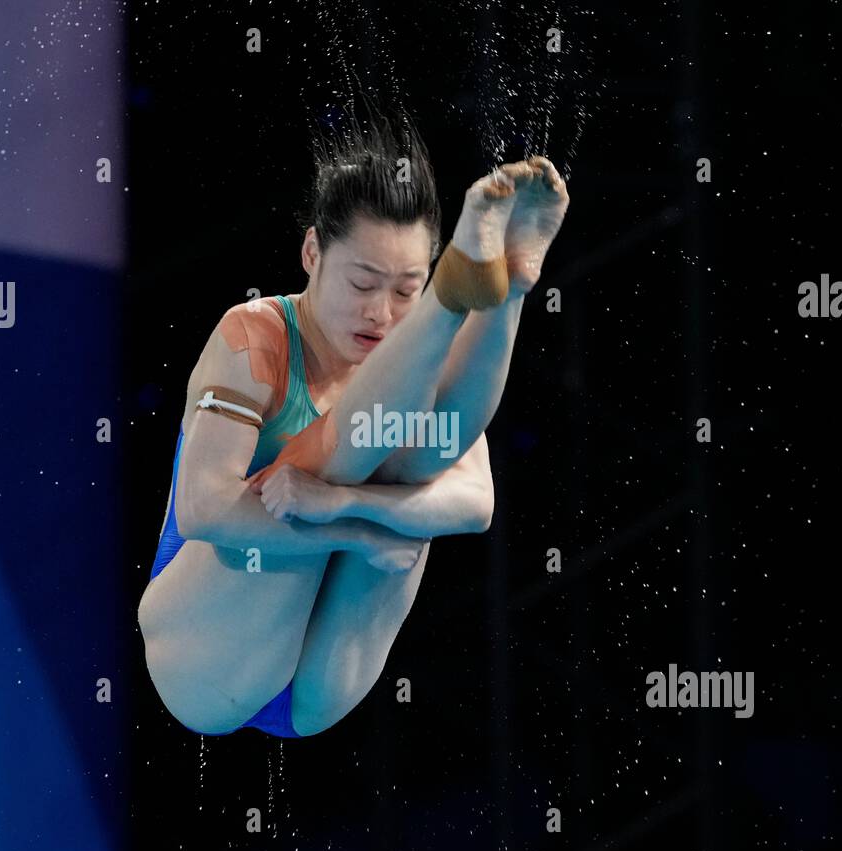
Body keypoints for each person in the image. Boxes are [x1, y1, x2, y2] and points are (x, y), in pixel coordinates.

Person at [137, 120, 569, 737]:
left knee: (407, 458)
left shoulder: (410, 364)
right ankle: (457, 305)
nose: (380, 312)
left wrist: (342, 503)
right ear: (312, 253)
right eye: (363, 283)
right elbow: (204, 510)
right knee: (340, 462)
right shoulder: (254, 336)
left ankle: (507, 292)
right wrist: (357, 531)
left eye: (407, 291)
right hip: (205, 654)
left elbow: (476, 505)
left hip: (324, 686)